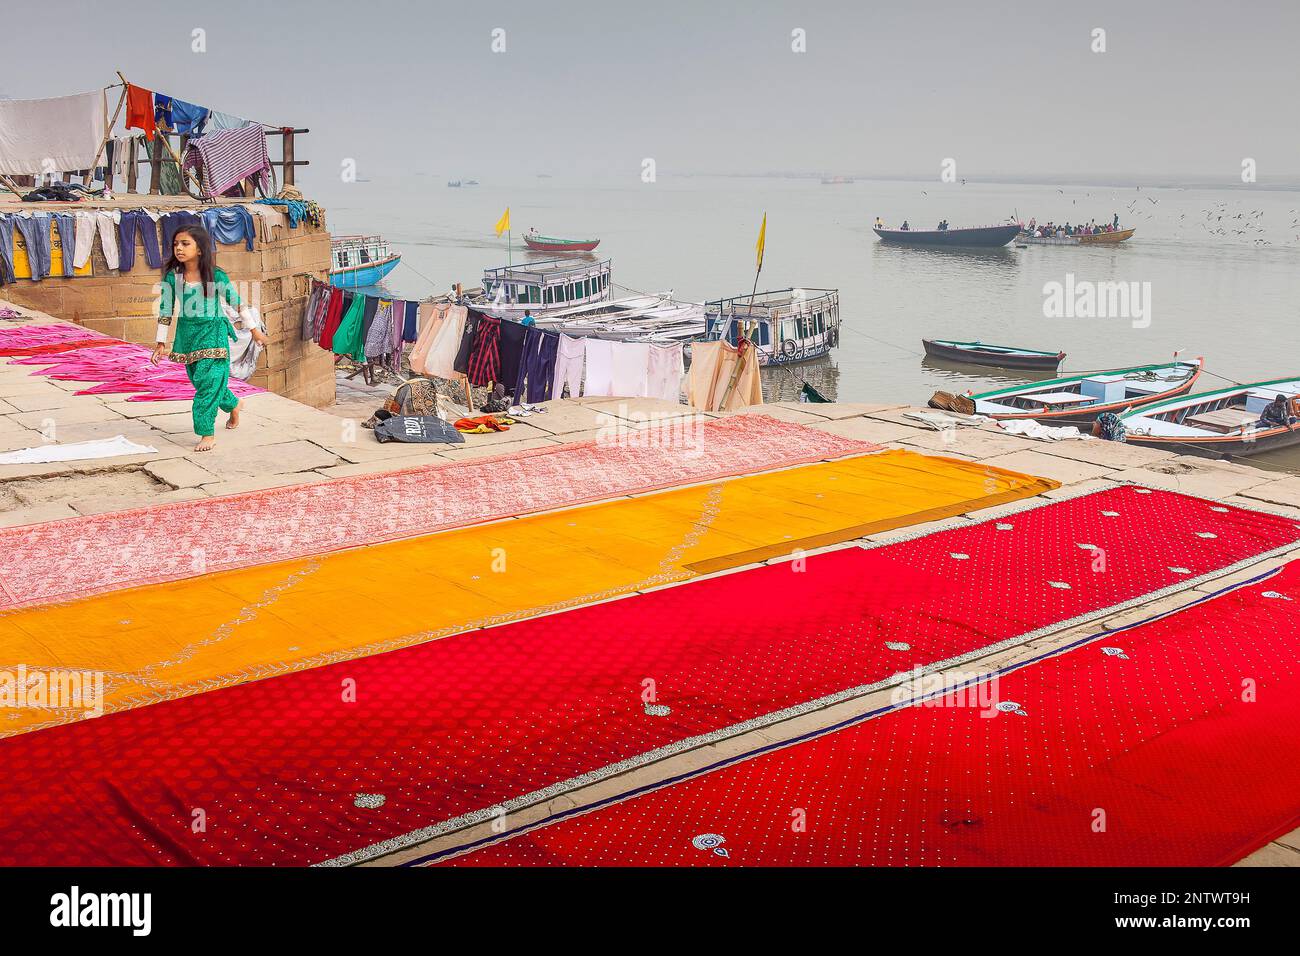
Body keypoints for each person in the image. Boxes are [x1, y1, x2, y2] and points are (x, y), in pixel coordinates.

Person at [150, 225, 267, 452]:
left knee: (207, 386)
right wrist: (160, 343)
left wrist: (255, 331)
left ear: (200, 249)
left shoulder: (215, 275)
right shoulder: (172, 278)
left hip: (213, 334)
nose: (179, 249)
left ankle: (206, 433)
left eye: (185, 244)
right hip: (187, 336)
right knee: (202, 381)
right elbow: (165, 311)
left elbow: (237, 303)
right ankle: (234, 404)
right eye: (176, 244)